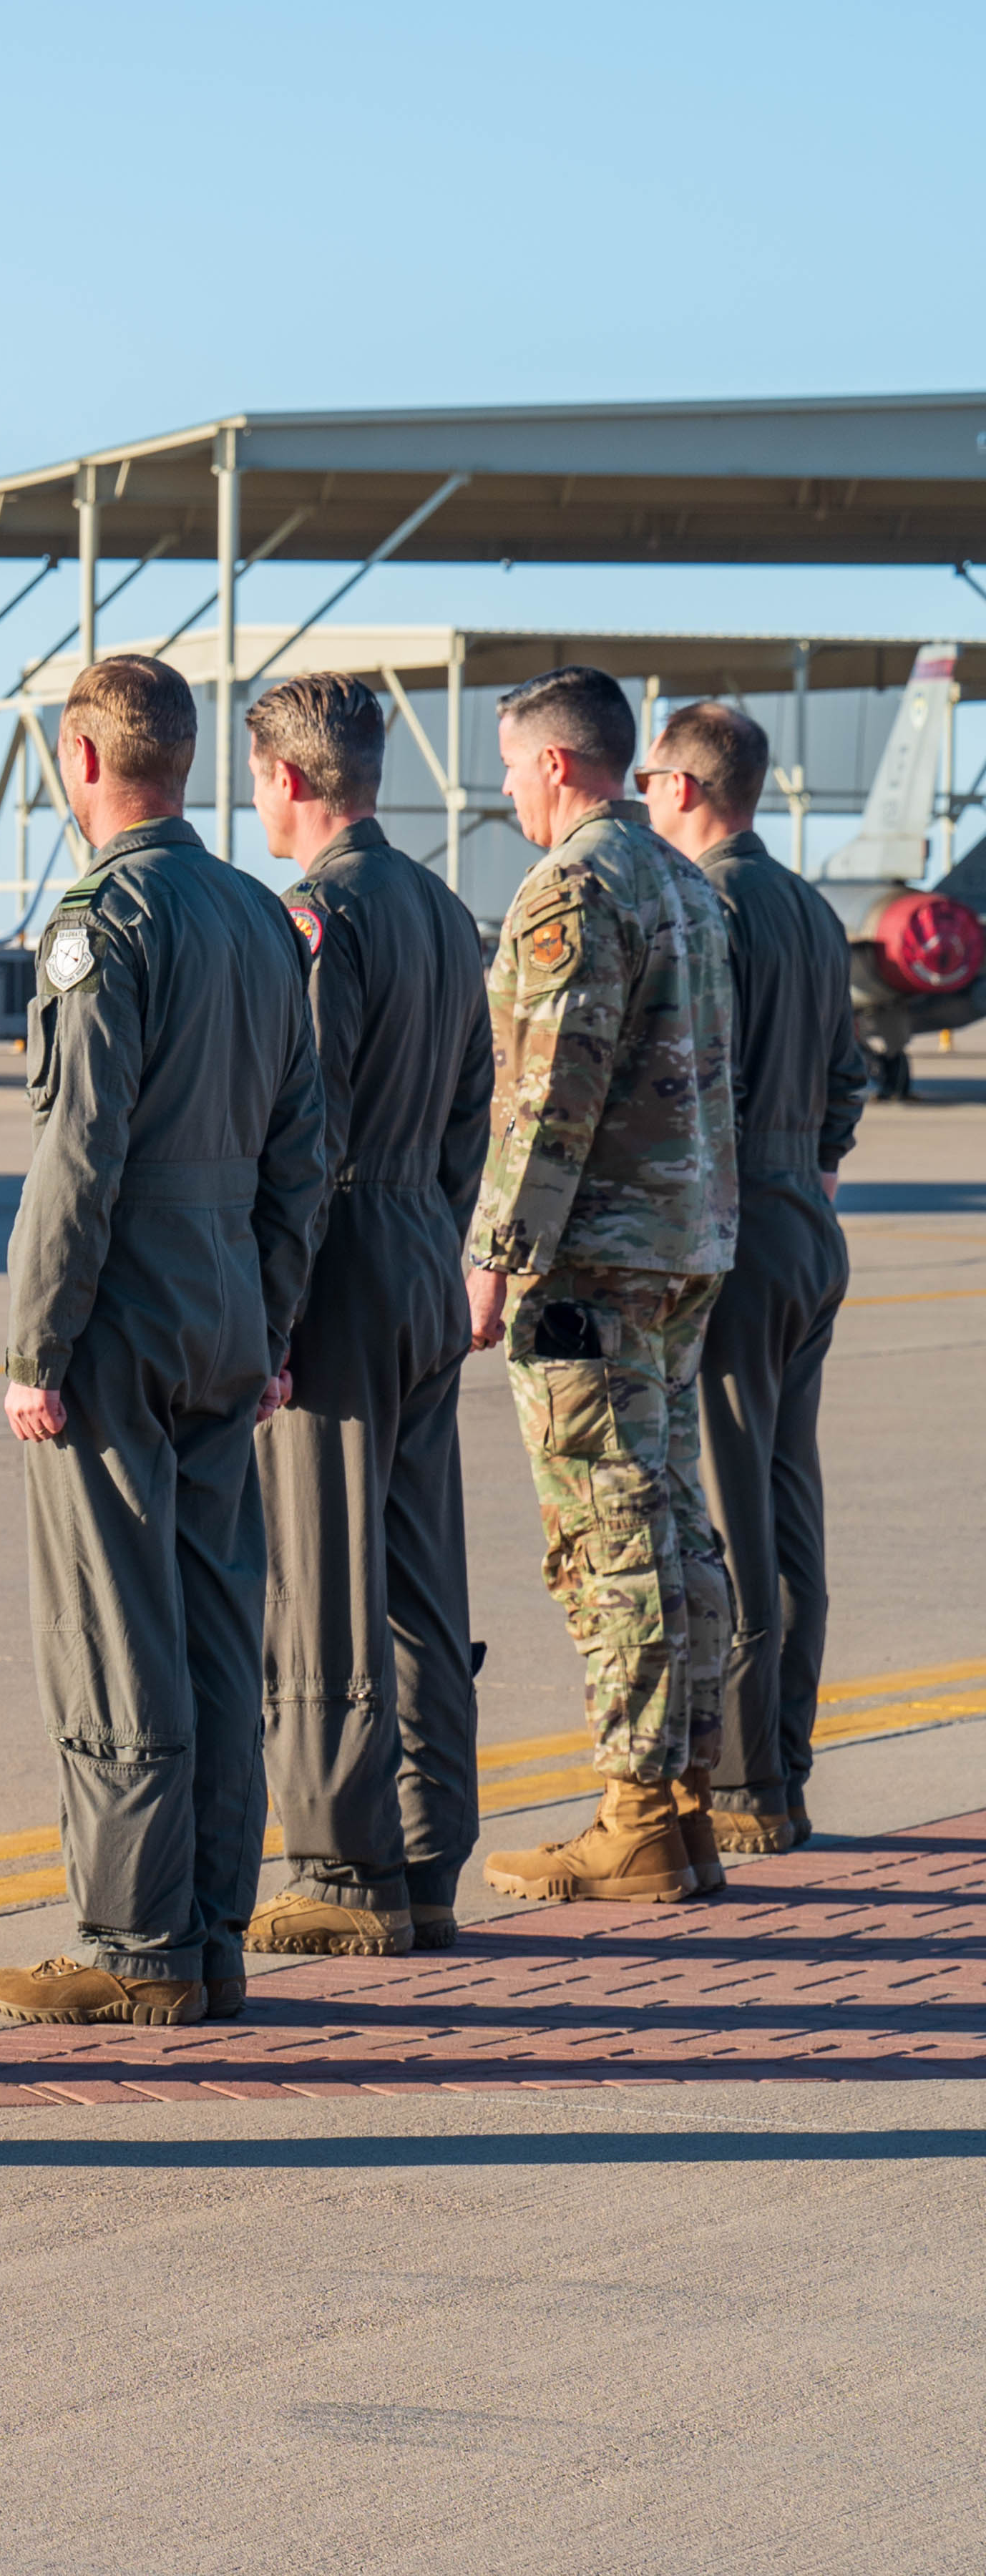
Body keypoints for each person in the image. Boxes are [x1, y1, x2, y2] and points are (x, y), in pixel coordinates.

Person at [0, 652, 326, 2029]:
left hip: (121, 1308)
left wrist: (35, 1345)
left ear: (82, 760)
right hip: (229, 1299)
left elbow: (78, 1154)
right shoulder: (254, 915)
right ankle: (216, 1930)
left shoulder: (100, 919)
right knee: (215, 1625)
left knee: (112, 1629)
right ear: (180, 761)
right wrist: (272, 1310)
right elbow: (304, 1151)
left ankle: (136, 1946)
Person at [470, 668, 743, 1903]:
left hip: (590, 1259)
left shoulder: (571, 887)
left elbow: (546, 1096)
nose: (508, 792)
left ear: (561, 767)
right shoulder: (687, 883)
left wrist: (494, 1256)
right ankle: (684, 1796)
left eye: (515, 769)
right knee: (674, 1517)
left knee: (607, 1529)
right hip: (685, 1245)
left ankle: (634, 1807)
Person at [243, 673, 494, 1958]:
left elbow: (302, 1122)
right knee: (417, 1566)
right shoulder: (450, 913)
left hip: (337, 1254)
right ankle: (431, 1850)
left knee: (324, 1574)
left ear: (287, 779)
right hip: (421, 1252)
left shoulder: (316, 916)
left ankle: (345, 1869)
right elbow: (472, 1114)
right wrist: (440, 1242)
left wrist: (272, 1309)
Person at [638, 700, 863, 1854]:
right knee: (787, 1502)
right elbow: (850, 1079)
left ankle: (748, 1785)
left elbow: (685, 1083)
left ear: (682, 786)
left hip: (729, 1225)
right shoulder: (815, 911)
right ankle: (787, 1759)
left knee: (726, 1513)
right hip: (803, 1229)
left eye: (646, 780)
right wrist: (811, 1167)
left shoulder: (702, 905)